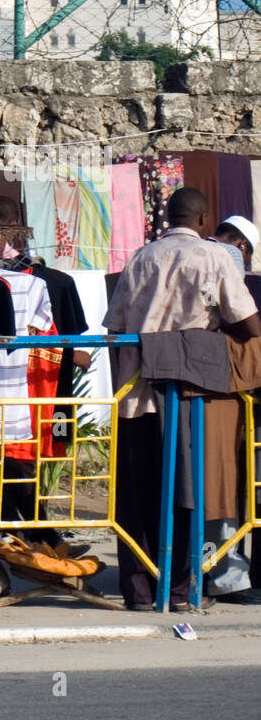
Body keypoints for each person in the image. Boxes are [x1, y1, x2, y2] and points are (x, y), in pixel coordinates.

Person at [105, 187, 261, 611]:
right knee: (184, 493)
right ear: (204, 220)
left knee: (137, 495)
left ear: (166, 218)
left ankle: (138, 591)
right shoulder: (213, 259)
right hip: (189, 393)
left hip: (135, 392)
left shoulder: (139, 258)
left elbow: (114, 324)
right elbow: (247, 325)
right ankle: (179, 593)